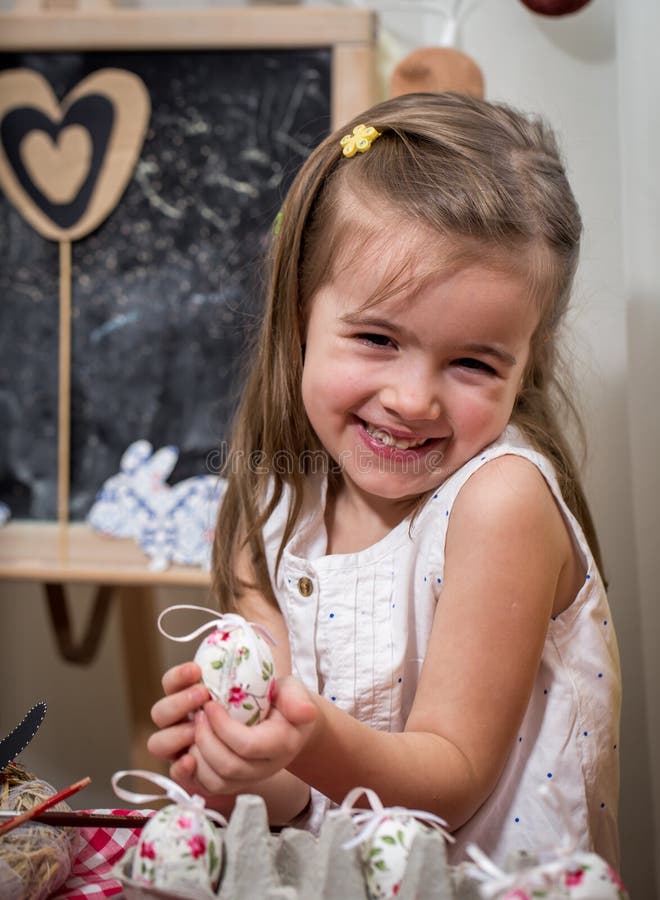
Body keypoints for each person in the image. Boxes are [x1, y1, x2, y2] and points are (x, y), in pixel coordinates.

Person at [148, 92, 621, 868]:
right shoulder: (271, 507)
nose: (412, 399)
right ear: (299, 315)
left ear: (526, 360)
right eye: (376, 338)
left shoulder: (499, 503)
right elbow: (301, 801)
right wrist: (234, 764)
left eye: (473, 362)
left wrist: (310, 736)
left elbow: (452, 782)